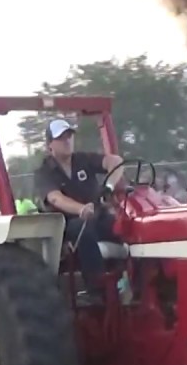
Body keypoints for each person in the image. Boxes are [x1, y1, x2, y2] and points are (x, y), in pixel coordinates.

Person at [35, 118, 124, 302]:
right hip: (67, 226)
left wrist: (108, 186)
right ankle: (97, 289)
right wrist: (80, 209)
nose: (67, 141)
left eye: (69, 136)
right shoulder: (44, 172)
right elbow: (55, 198)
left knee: (125, 227)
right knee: (83, 229)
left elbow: (115, 161)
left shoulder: (83, 160)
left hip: (97, 216)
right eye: (61, 138)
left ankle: (133, 280)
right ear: (50, 144)